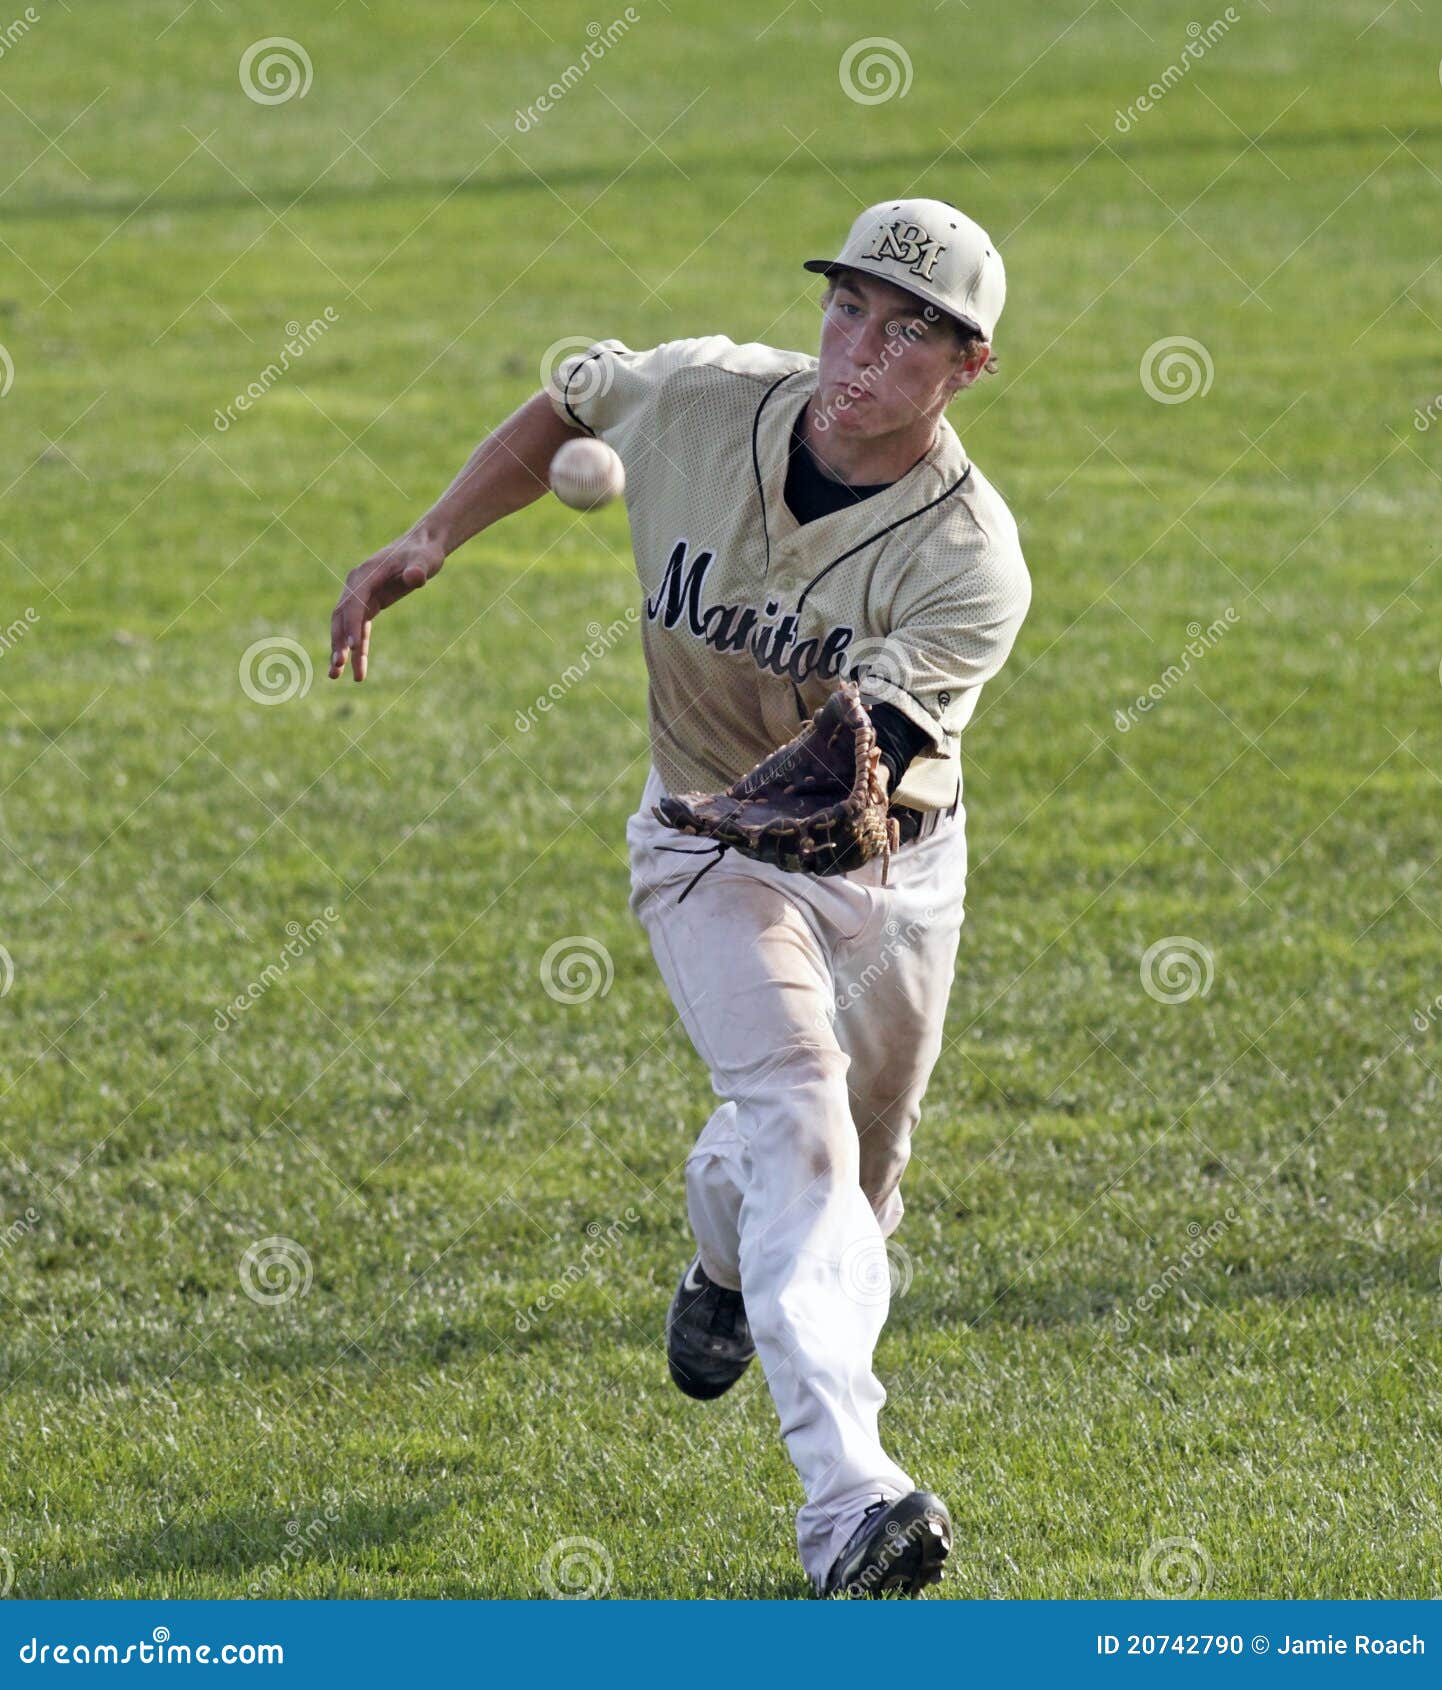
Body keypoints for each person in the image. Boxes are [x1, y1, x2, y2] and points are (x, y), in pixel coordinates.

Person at [328, 198, 1032, 1598]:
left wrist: (820, 788)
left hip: (886, 873)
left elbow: (868, 762)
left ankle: (721, 1251)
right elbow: (569, 399)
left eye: (909, 332)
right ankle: (850, 1500)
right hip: (705, 847)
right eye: (847, 307)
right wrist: (433, 536)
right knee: (803, 1136)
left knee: (858, 1185)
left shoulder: (968, 560)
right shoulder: (705, 396)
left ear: (967, 367)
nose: (860, 348)